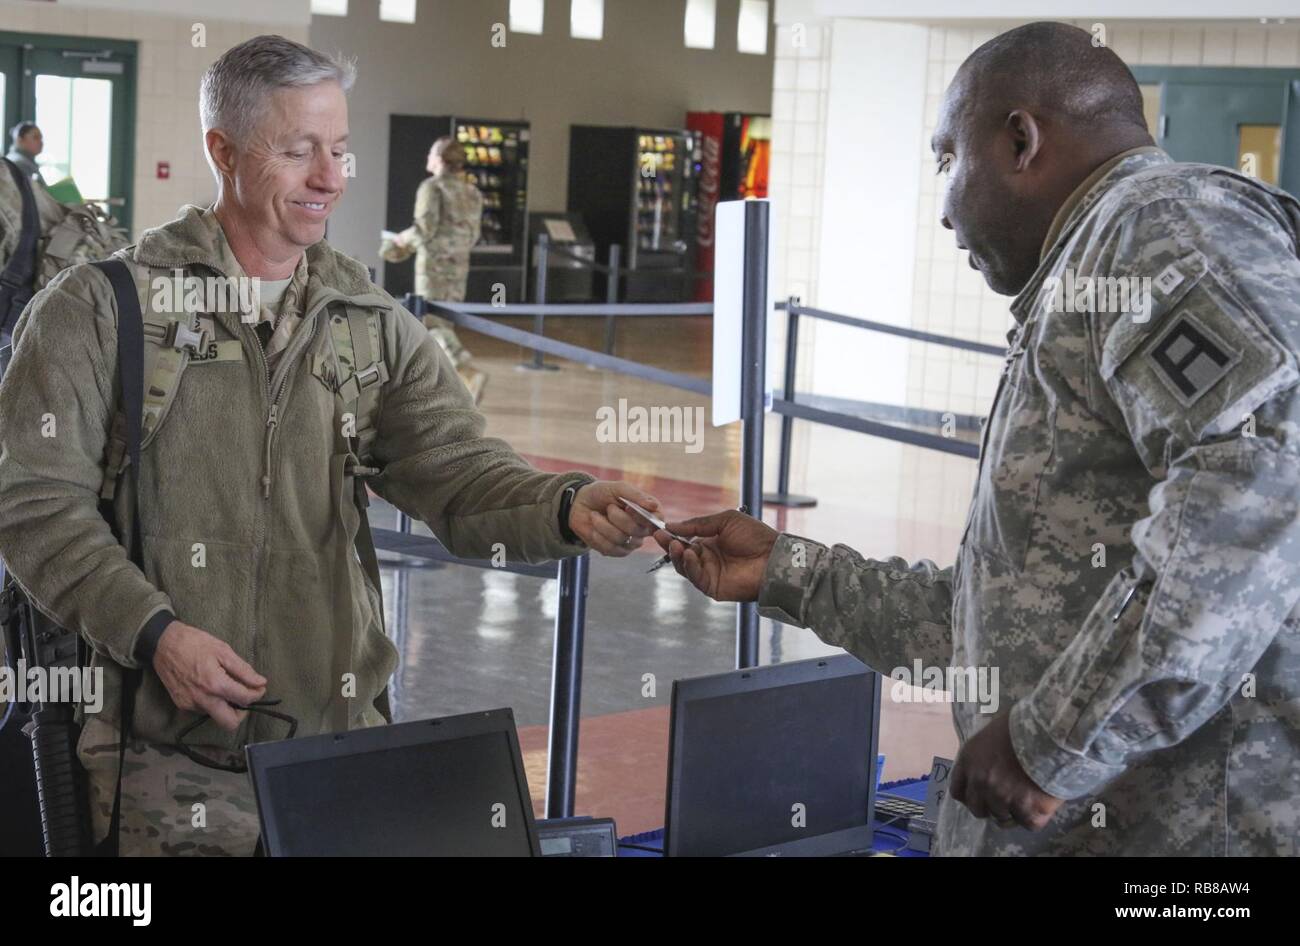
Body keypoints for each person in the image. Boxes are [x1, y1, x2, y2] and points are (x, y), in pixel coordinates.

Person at [0, 35, 661, 857]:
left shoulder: (367, 317)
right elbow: (32, 502)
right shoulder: (100, 312)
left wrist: (564, 502)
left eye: (340, 150)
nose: (330, 178)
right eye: (299, 150)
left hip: (335, 750)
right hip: (164, 771)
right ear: (224, 151)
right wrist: (153, 631)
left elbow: (456, 470)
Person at [655, 21, 1300, 856]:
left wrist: (1057, 735)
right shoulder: (1091, 269)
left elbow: (1261, 477)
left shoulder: (1158, 229)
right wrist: (789, 573)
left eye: (946, 160)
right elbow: (1010, 623)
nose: (946, 206)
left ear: (1020, 139)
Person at [385, 137, 487, 403]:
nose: (427, 158)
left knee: (432, 323)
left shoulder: (431, 187)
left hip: (433, 267)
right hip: (459, 265)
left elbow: (424, 229)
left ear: (440, 159)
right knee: (445, 322)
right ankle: (448, 388)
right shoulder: (472, 192)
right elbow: (473, 234)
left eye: (431, 153)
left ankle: (467, 370)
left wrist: (398, 242)